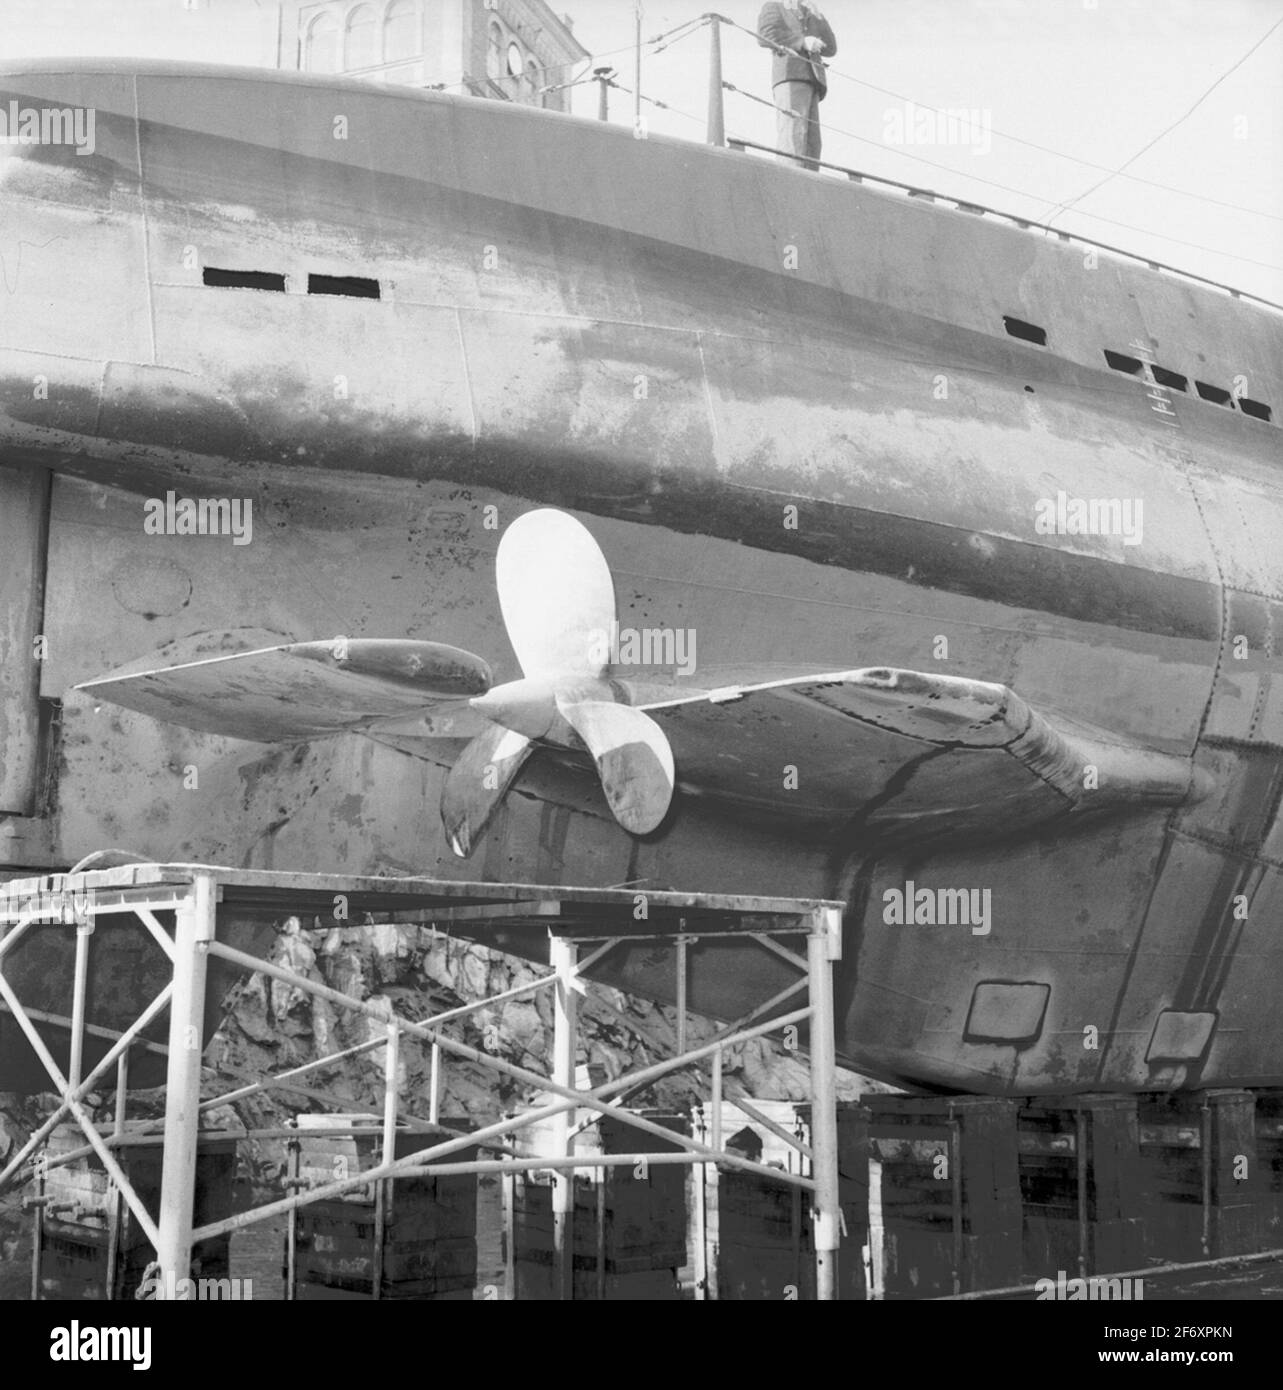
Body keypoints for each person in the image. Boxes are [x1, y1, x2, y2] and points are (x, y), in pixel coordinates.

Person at [757, 2, 838, 171]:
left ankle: (808, 188)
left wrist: (818, 15)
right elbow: (765, 34)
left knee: (812, 143)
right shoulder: (774, 5)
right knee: (793, 136)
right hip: (790, 75)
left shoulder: (810, 12)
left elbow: (831, 48)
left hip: (813, 80)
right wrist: (801, 42)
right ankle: (788, 183)